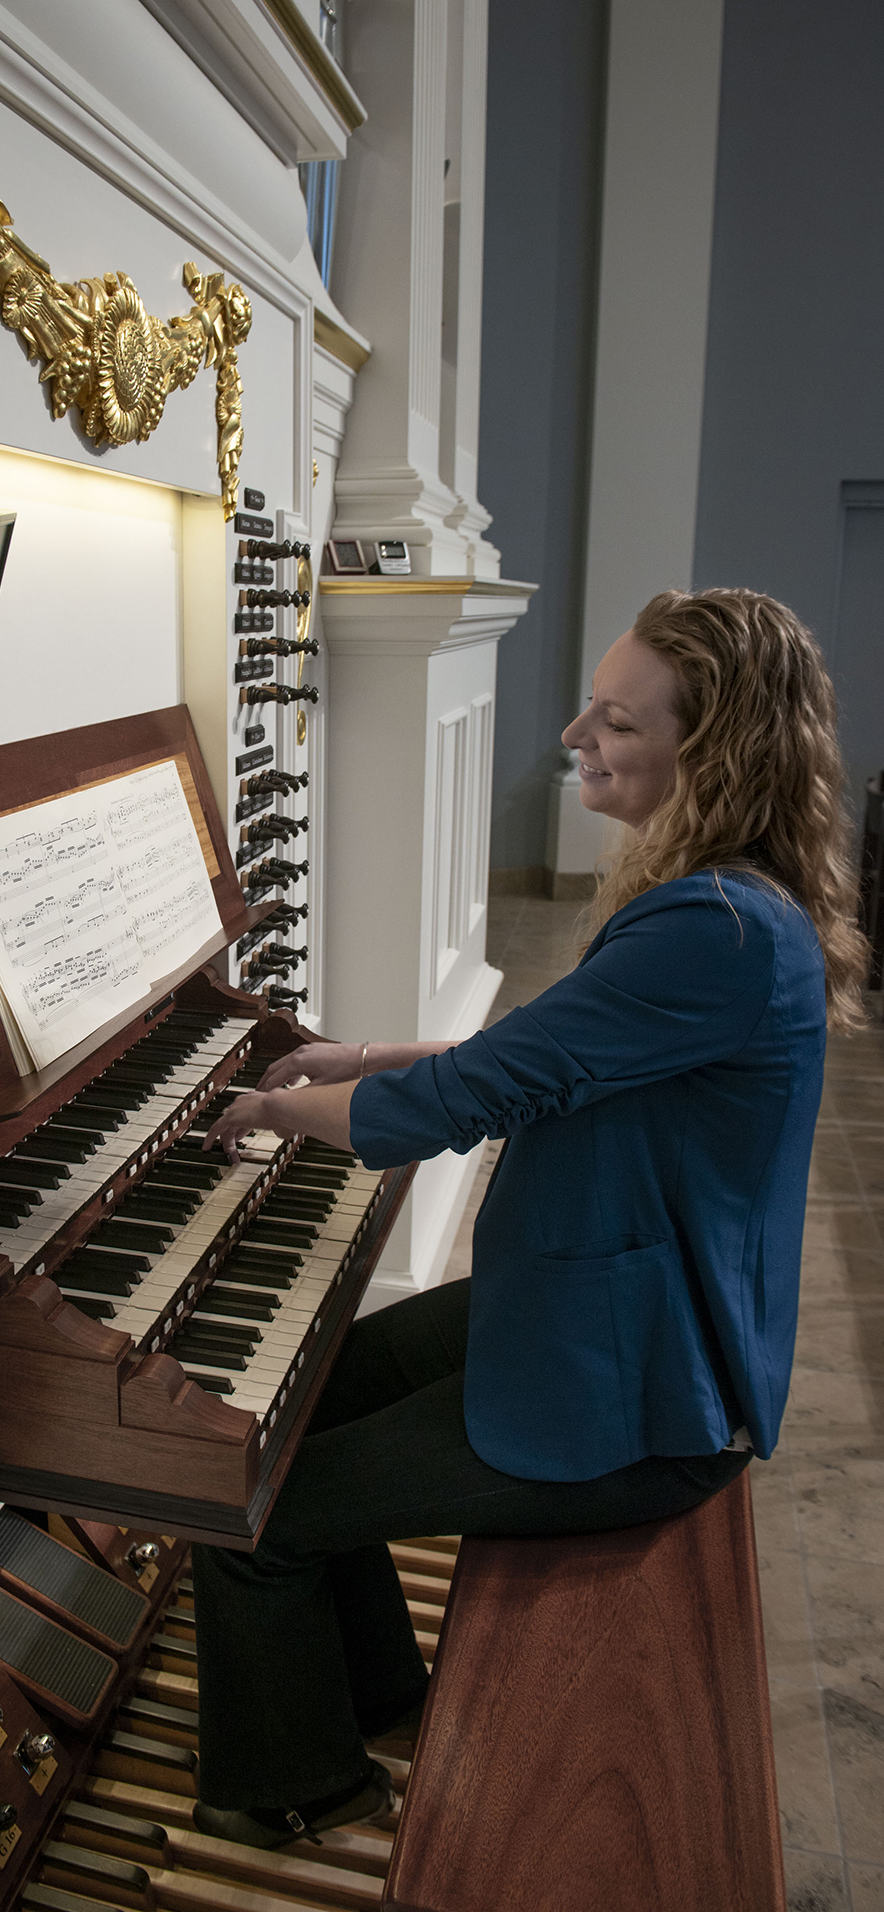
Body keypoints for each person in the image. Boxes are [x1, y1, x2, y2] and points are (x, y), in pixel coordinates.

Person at [191, 587, 868, 1852]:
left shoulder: (714, 929)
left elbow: (484, 1092)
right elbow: (551, 1053)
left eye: (615, 720)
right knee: (310, 1396)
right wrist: (360, 1051)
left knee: (248, 1516)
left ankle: (294, 1788)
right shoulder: (726, 903)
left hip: (647, 1393)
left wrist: (280, 1113)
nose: (573, 733)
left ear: (710, 750)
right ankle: (375, 1697)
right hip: (595, 1309)